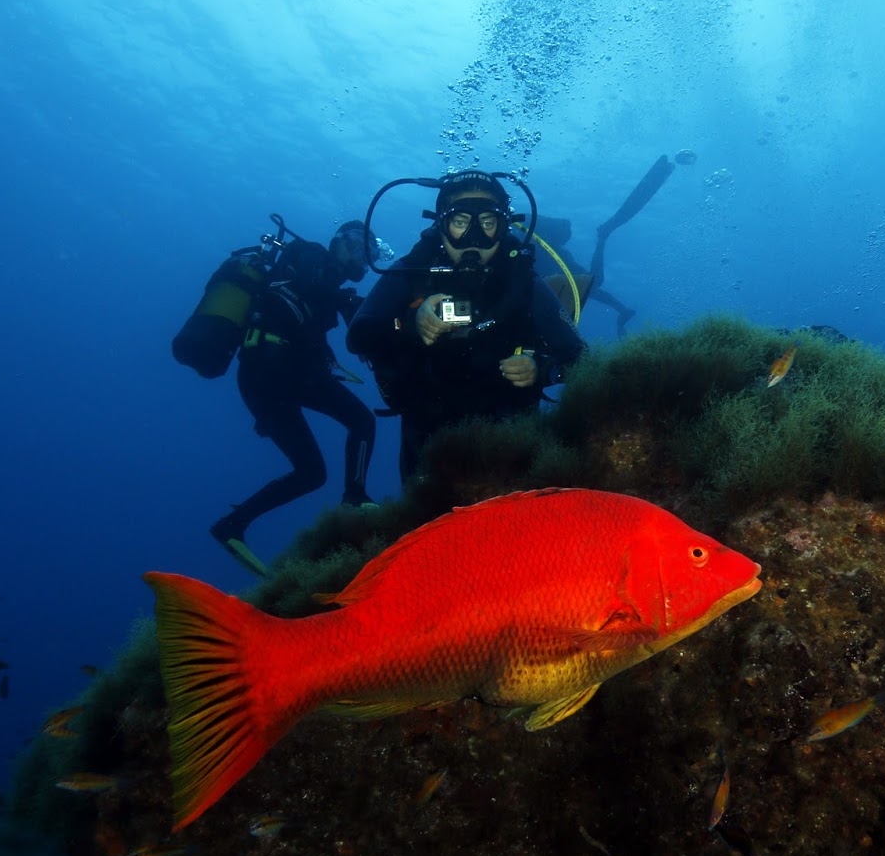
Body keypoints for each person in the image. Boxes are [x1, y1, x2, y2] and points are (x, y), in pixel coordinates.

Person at [346, 171, 586, 484]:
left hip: (513, 445)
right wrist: (410, 325)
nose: (474, 239)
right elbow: (359, 335)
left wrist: (542, 368)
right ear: (440, 226)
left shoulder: (522, 281)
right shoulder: (413, 270)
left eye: (488, 224)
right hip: (427, 446)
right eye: (460, 222)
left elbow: (581, 358)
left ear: (503, 228)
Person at [210, 221, 379, 576]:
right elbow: (307, 285)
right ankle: (355, 498)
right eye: (357, 245)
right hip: (275, 368)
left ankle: (232, 525)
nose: (362, 255)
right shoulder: (310, 255)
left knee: (311, 474)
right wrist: (347, 302)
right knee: (361, 420)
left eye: (370, 251)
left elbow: (305, 326)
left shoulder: (324, 290)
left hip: (265, 381)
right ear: (337, 242)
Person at [531, 154, 677, 338]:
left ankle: (604, 234)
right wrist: (619, 307)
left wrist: (620, 308)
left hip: (542, 260)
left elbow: (590, 286)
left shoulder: (547, 254)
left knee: (590, 281)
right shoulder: (549, 255)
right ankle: (604, 234)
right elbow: (592, 287)